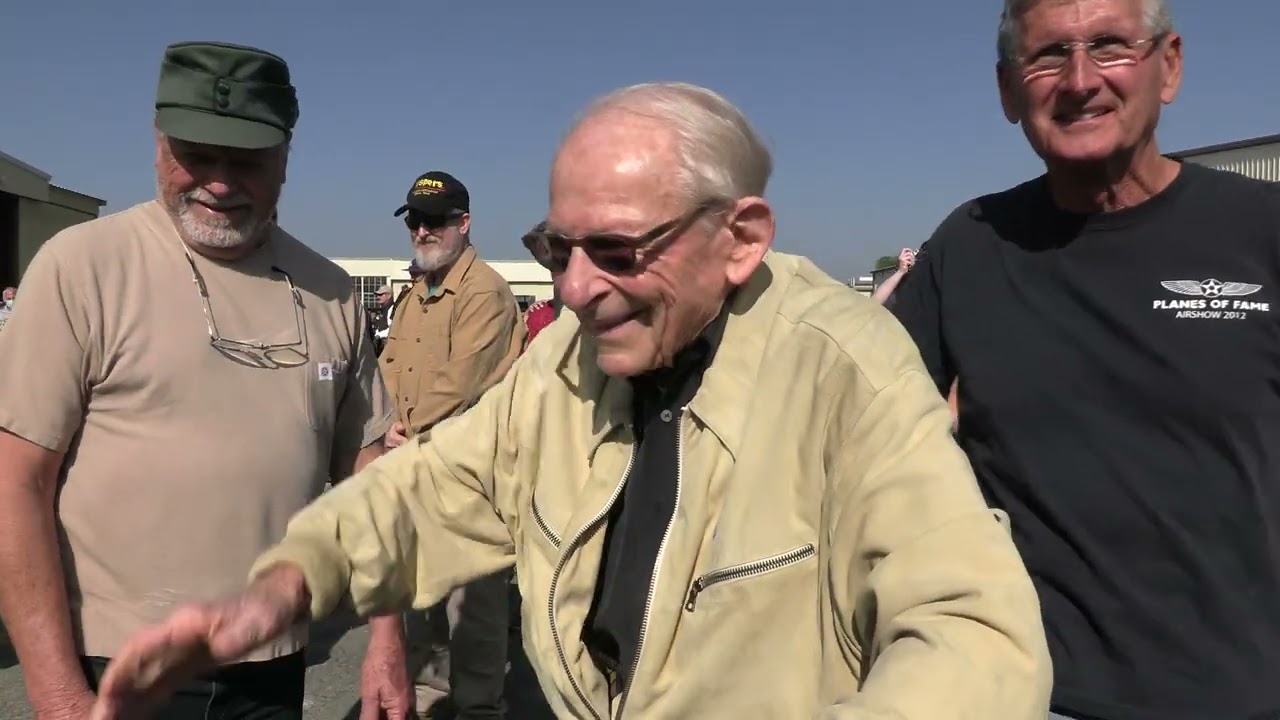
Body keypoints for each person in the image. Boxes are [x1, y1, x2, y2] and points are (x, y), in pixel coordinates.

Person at [87, 81, 1052, 720]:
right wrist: (284, 588)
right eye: (560, 249)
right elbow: (432, 486)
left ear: (742, 237)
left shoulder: (847, 369)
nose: (577, 289)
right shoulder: (565, 368)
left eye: (619, 251)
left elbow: (971, 634)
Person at [0, 41, 410, 720]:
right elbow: (15, 481)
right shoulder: (82, 269)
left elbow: (370, 482)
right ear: (159, 143)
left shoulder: (331, 293)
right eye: (197, 155)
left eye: (245, 161)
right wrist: (57, 693)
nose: (218, 182)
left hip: (275, 668)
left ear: (284, 159)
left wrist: (388, 642)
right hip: (120, 666)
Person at [892, 1, 1280, 718]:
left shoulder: (1262, 230)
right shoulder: (970, 247)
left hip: (1246, 692)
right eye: (1047, 56)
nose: (1079, 81)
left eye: (1109, 46)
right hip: (1033, 695)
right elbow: (860, 424)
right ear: (1009, 90)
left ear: (1168, 66)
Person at [383, 170, 525, 718]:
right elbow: (389, 365)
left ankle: (478, 708)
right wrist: (386, 424)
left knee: (475, 609)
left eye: (437, 220)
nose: (424, 231)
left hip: (470, 477)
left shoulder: (484, 291)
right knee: (424, 604)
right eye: (416, 221)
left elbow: (462, 381)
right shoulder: (416, 291)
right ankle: (431, 700)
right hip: (415, 466)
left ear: (463, 223)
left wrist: (405, 430)